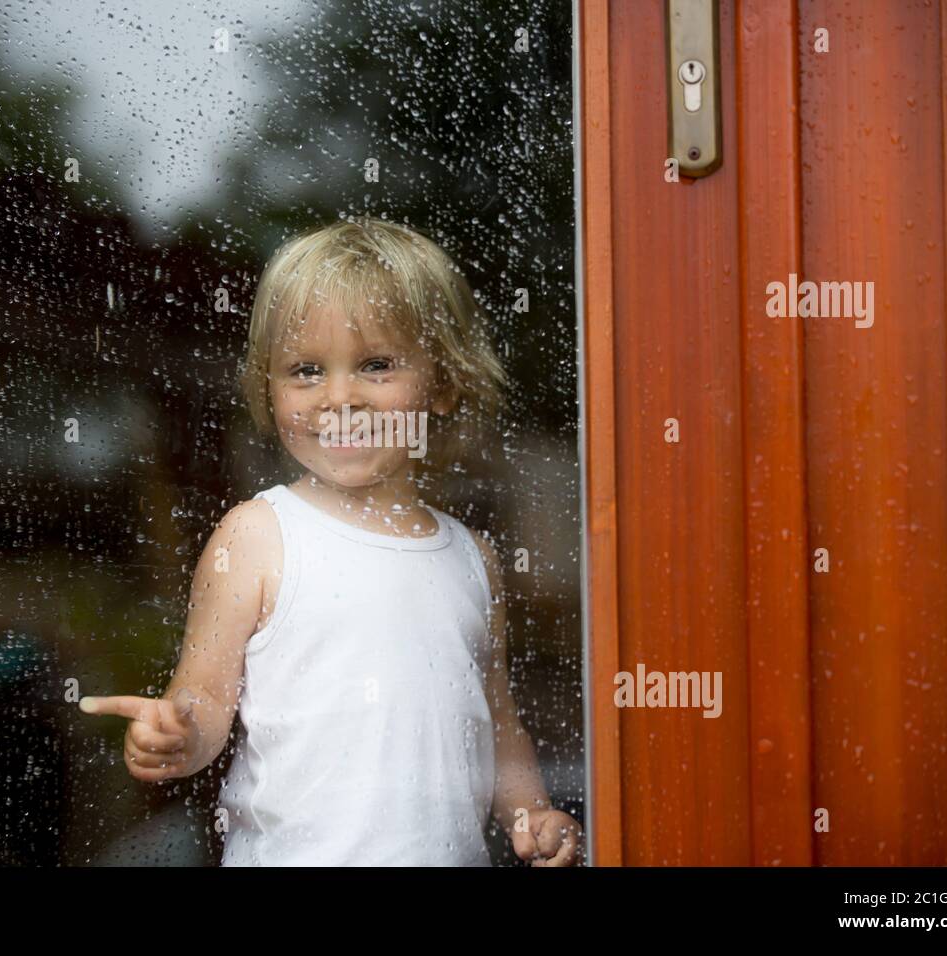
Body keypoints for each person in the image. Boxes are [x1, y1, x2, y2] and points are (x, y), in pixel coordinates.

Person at [81, 216, 581, 866]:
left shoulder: (472, 558)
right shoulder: (258, 536)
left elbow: (495, 715)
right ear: (269, 387)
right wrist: (176, 734)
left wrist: (529, 812)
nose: (339, 398)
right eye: (306, 370)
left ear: (446, 384)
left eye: (375, 365)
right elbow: (204, 698)